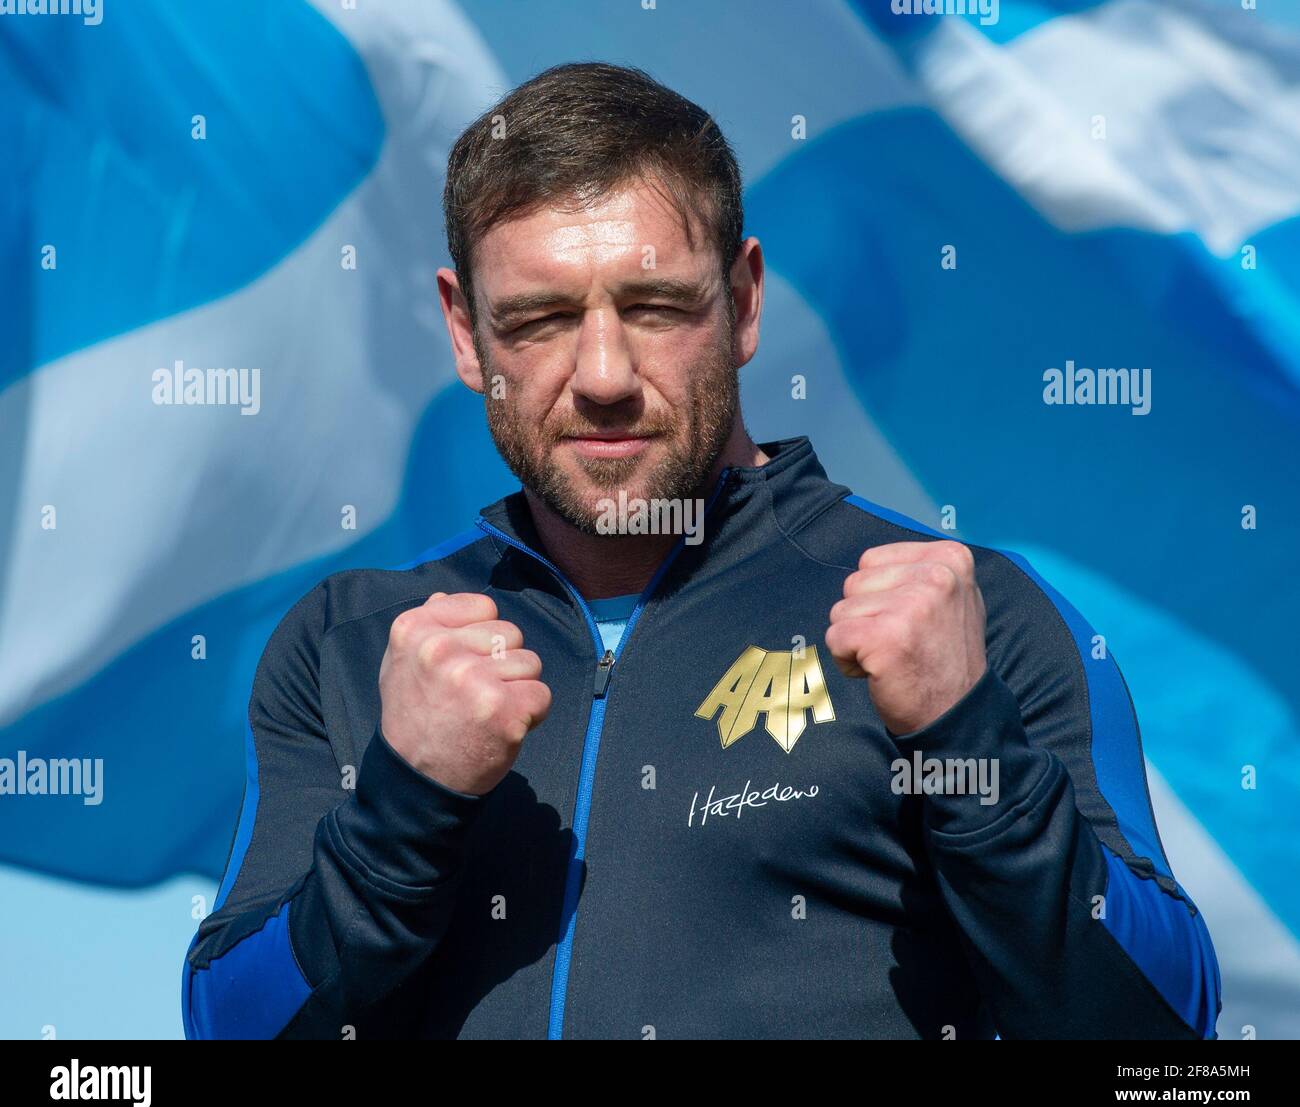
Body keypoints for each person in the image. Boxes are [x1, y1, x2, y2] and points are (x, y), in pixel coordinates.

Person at [182, 61, 1220, 1040]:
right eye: (539, 319)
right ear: (465, 333)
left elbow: (1167, 1036)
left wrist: (966, 740)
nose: (601, 375)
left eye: (653, 306)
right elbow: (230, 1023)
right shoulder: (354, 641)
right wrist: (402, 811)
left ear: (743, 302)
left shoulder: (964, 613)